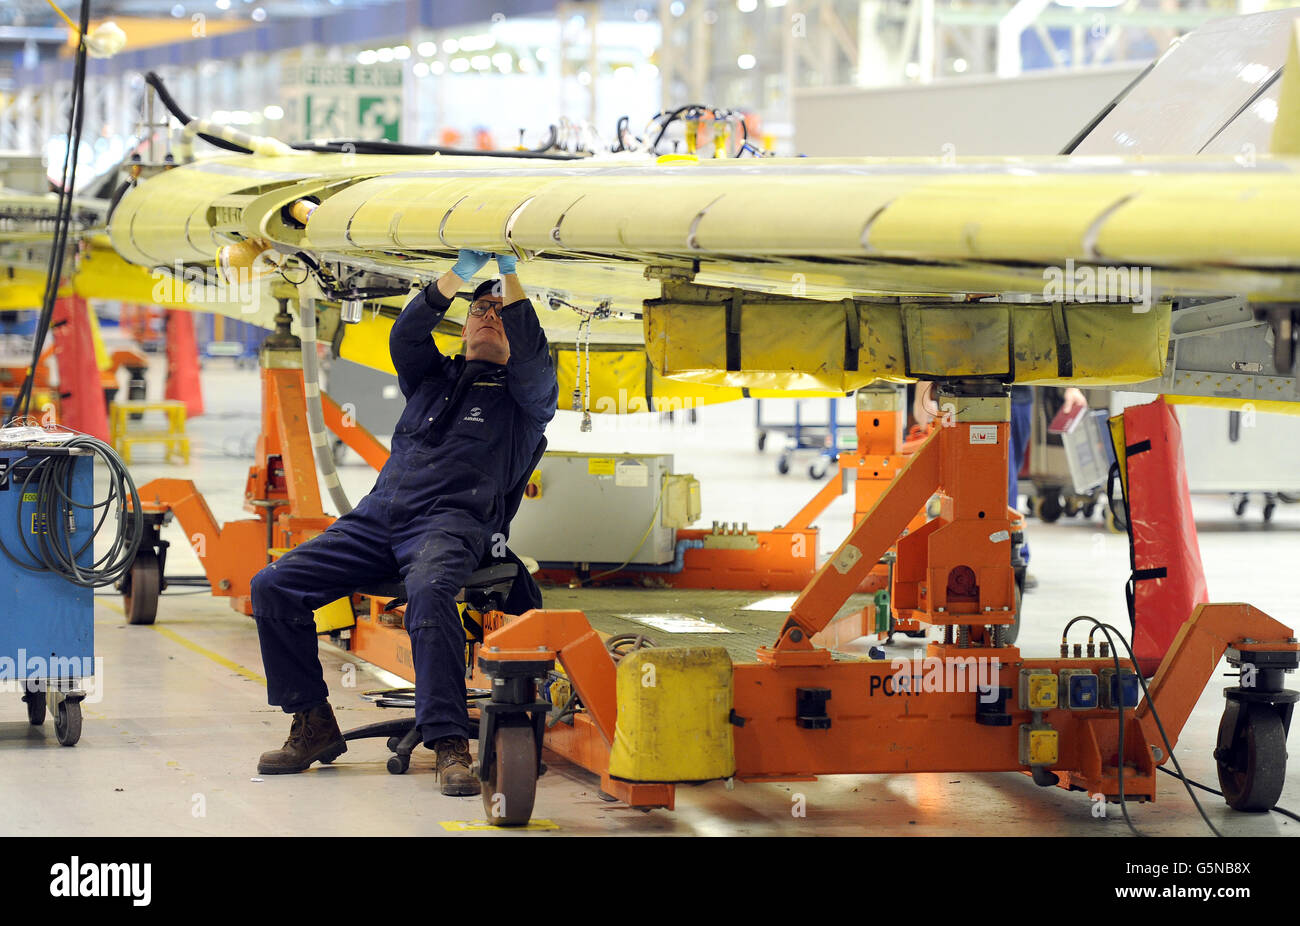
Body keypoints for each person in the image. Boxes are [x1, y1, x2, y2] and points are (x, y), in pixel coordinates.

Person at [250, 249, 558, 795]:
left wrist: (510, 277)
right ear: (462, 328)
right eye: (477, 311)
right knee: (273, 586)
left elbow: (534, 359)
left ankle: (448, 744)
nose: (487, 316)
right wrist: (454, 278)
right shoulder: (432, 380)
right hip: (377, 517)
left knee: (431, 592)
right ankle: (313, 723)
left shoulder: (525, 399)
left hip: (449, 526)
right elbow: (407, 338)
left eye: (498, 311)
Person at [912, 382, 1086, 584]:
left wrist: (1070, 385)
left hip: (1019, 394)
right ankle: (1006, 559)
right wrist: (922, 394)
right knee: (999, 478)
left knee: (1006, 476)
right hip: (966, 392)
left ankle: (1007, 557)